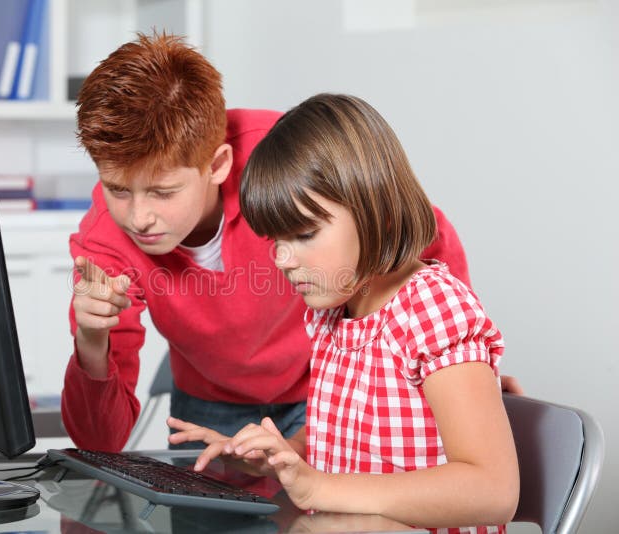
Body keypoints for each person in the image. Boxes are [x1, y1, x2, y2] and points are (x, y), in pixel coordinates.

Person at [62, 32, 478, 452]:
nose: (138, 218)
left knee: (332, 514)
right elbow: (100, 442)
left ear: (219, 164)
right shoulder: (103, 243)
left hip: (324, 383)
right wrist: (91, 344)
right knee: (208, 512)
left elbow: (416, 230)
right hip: (207, 405)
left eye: (163, 192)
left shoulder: (281, 157)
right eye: (117, 189)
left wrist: (462, 369)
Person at [168, 94, 519, 532]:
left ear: (380, 212)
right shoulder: (334, 318)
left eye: (305, 233)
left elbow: (492, 491)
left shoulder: (433, 310)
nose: (282, 259)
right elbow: (346, 451)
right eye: (276, 240)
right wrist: (282, 458)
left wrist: (318, 489)